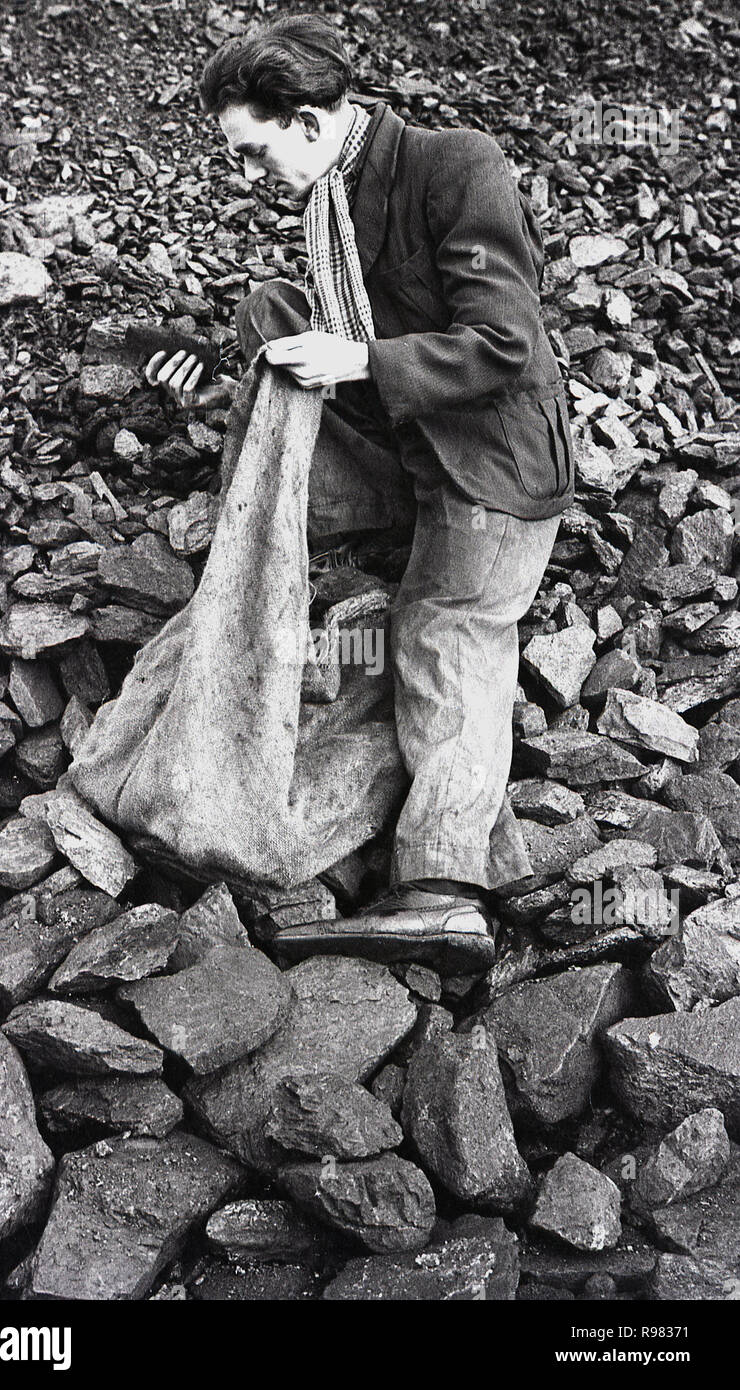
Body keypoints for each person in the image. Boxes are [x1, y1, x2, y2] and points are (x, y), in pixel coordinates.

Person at [145, 12, 574, 971]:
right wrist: (220, 361)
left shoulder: (455, 164)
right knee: (270, 314)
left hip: (494, 459)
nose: (253, 177)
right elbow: (334, 319)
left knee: (445, 627)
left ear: (305, 118)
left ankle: (445, 890)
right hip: (413, 453)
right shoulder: (330, 200)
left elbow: (506, 344)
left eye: (254, 153)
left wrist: (355, 357)